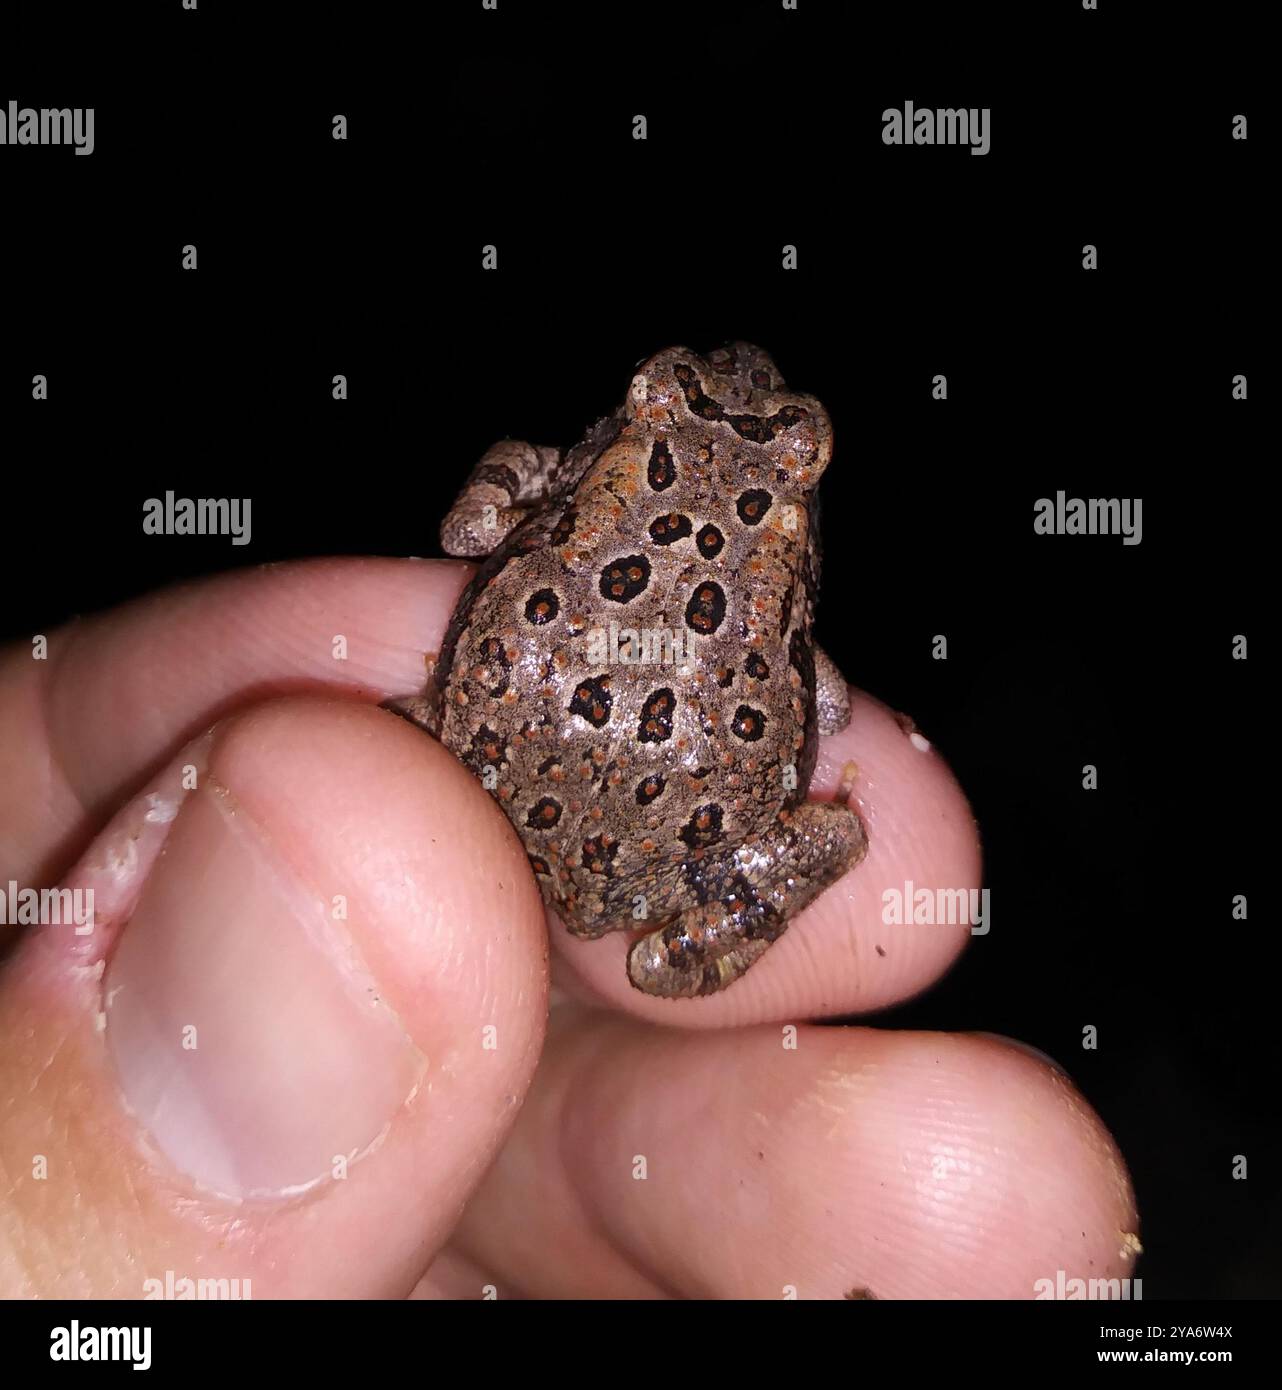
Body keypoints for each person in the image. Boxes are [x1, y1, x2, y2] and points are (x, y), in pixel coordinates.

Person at [0, 558, 1137, 1298]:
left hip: (476, 777)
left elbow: (470, 522)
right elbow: (825, 703)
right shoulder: (776, 571)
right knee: (838, 834)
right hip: (634, 880)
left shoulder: (590, 491)